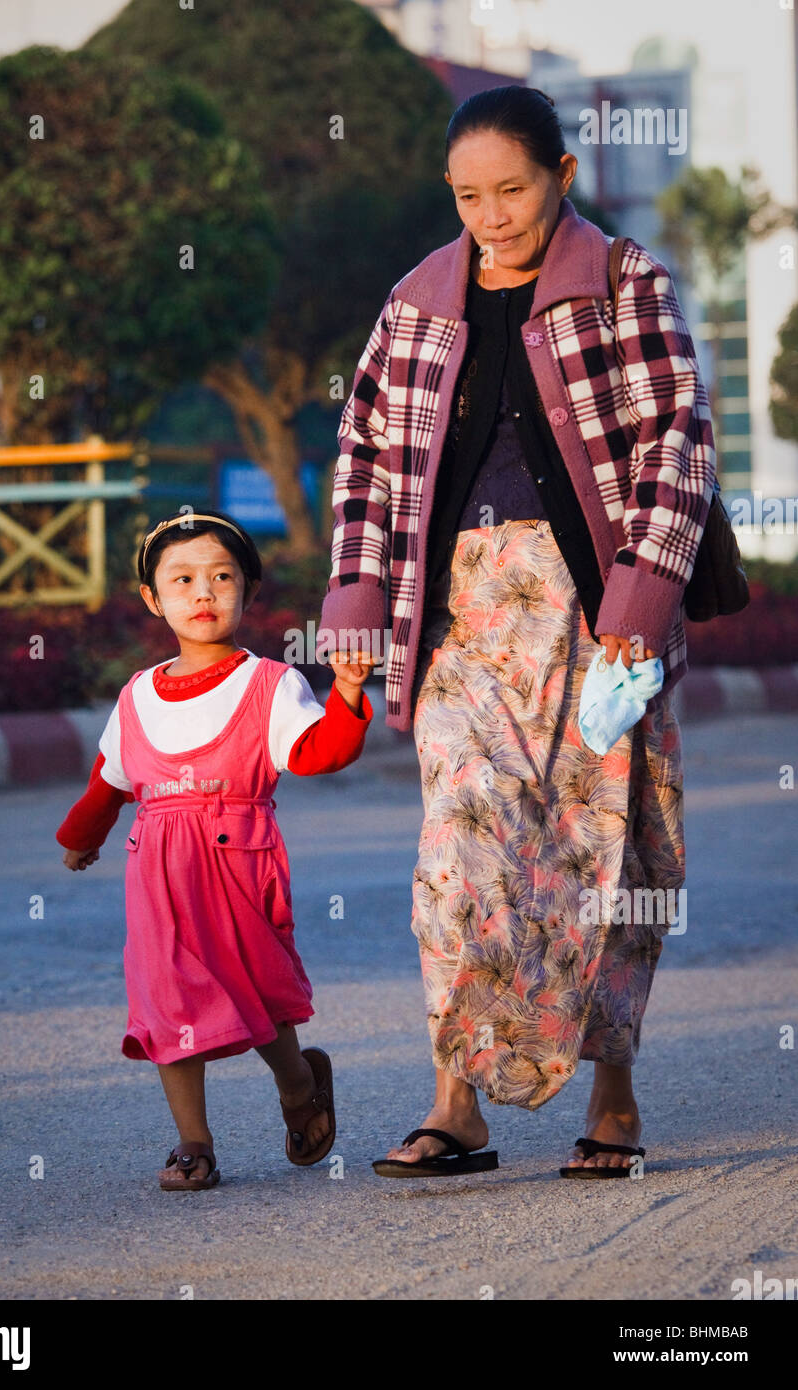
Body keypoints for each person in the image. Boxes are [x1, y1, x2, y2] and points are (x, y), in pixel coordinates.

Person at [319, 87, 715, 1178]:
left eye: (512, 189)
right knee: (459, 857)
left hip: (600, 617)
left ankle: (614, 1093)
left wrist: (638, 604)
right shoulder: (416, 302)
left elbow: (674, 440)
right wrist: (355, 599)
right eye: (466, 195)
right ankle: (457, 1102)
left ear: (562, 176)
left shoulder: (622, 282)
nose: (490, 215)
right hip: (461, 617)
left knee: (606, 853)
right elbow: (362, 455)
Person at [56, 508, 373, 1190]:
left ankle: (296, 1087)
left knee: (252, 993)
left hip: (238, 867)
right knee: (165, 1001)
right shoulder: (137, 693)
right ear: (152, 597)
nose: (202, 593)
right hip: (157, 881)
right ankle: (193, 1142)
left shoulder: (268, 683)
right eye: (182, 579)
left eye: (221, 577)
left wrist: (345, 692)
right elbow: (110, 781)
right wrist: (81, 839)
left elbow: (318, 753)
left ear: (248, 589)